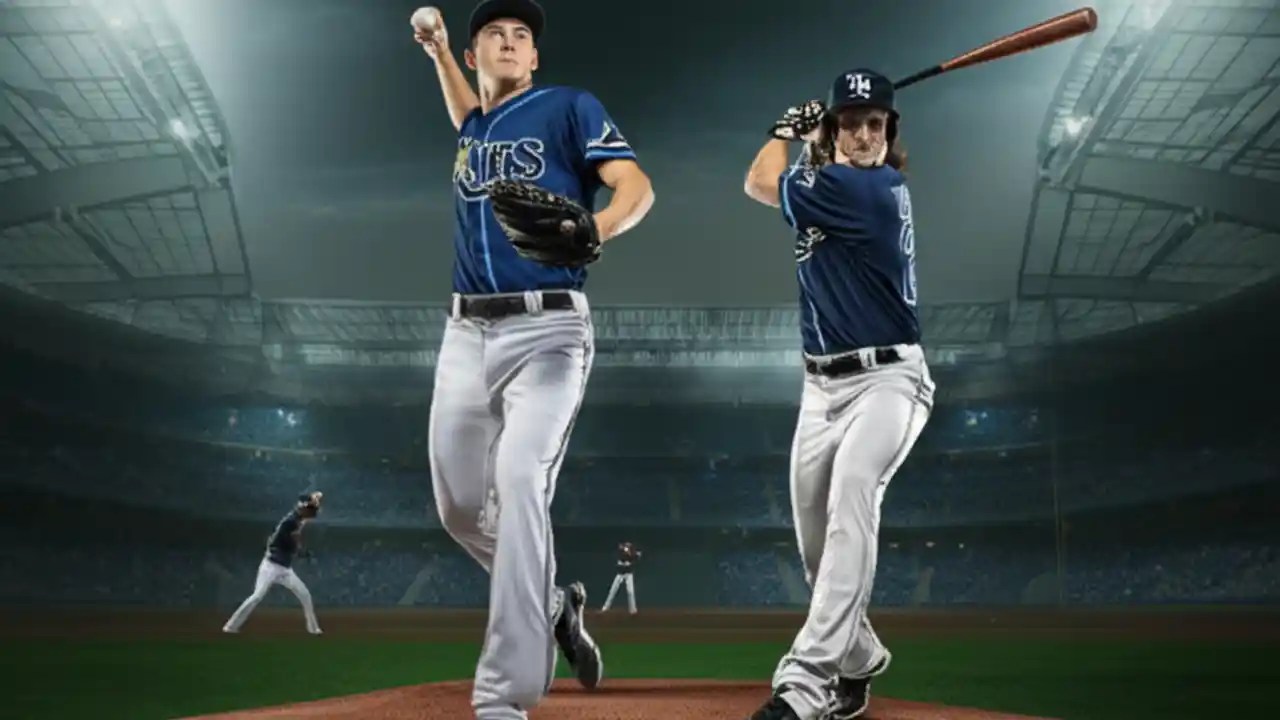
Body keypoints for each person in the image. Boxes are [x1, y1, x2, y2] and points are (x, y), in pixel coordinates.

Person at [411, 1, 655, 717]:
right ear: (478, 53)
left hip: (548, 333)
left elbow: (637, 187)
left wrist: (596, 228)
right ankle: (553, 603)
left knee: (520, 481)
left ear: (535, 58)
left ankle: (504, 695)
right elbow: (466, 112)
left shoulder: (568, 108)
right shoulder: (476, 125)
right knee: (459, 508)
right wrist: (437, 54)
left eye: (523, 36)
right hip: (463, 336)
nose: (511, 41)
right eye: (496, 34)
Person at [741, 69, 936, 720]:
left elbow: (758, 182)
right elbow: (774, 186)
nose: (861, 135)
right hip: (820, 387)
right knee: (815, 544)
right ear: (836, 132)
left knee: (854, 493)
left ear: (889, 135)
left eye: (874, 124)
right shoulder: (831, 184)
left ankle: (805, 685)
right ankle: (858, 659)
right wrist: (807, 138)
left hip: (889, 380)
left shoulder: (870, 189)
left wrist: (785, 130)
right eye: (849, 123)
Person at [222, 492, 324, 635]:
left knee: (305, 595)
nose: (311, 512)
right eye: (308, 508)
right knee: (257, 596)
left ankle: (313, 629)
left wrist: (315, 500)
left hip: (285, 569)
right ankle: (231, 626)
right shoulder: (291, 521)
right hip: (270, 567)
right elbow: (291, 541)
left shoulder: (298, 518)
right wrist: (301, 553)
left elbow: (309, 514)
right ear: (302, 508)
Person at [601, 541, 641, 614]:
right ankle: (605, 607)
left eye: (628, 547)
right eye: (625, 547)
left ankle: (633, 610)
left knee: (630, 592)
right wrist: (630, 553)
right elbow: (625, 557)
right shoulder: (620, 554)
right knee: (613, 591)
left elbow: (635, 556)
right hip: (620, 574)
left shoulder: (631, 555)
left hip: (628, 574)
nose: (626, 548)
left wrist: (634, 554)